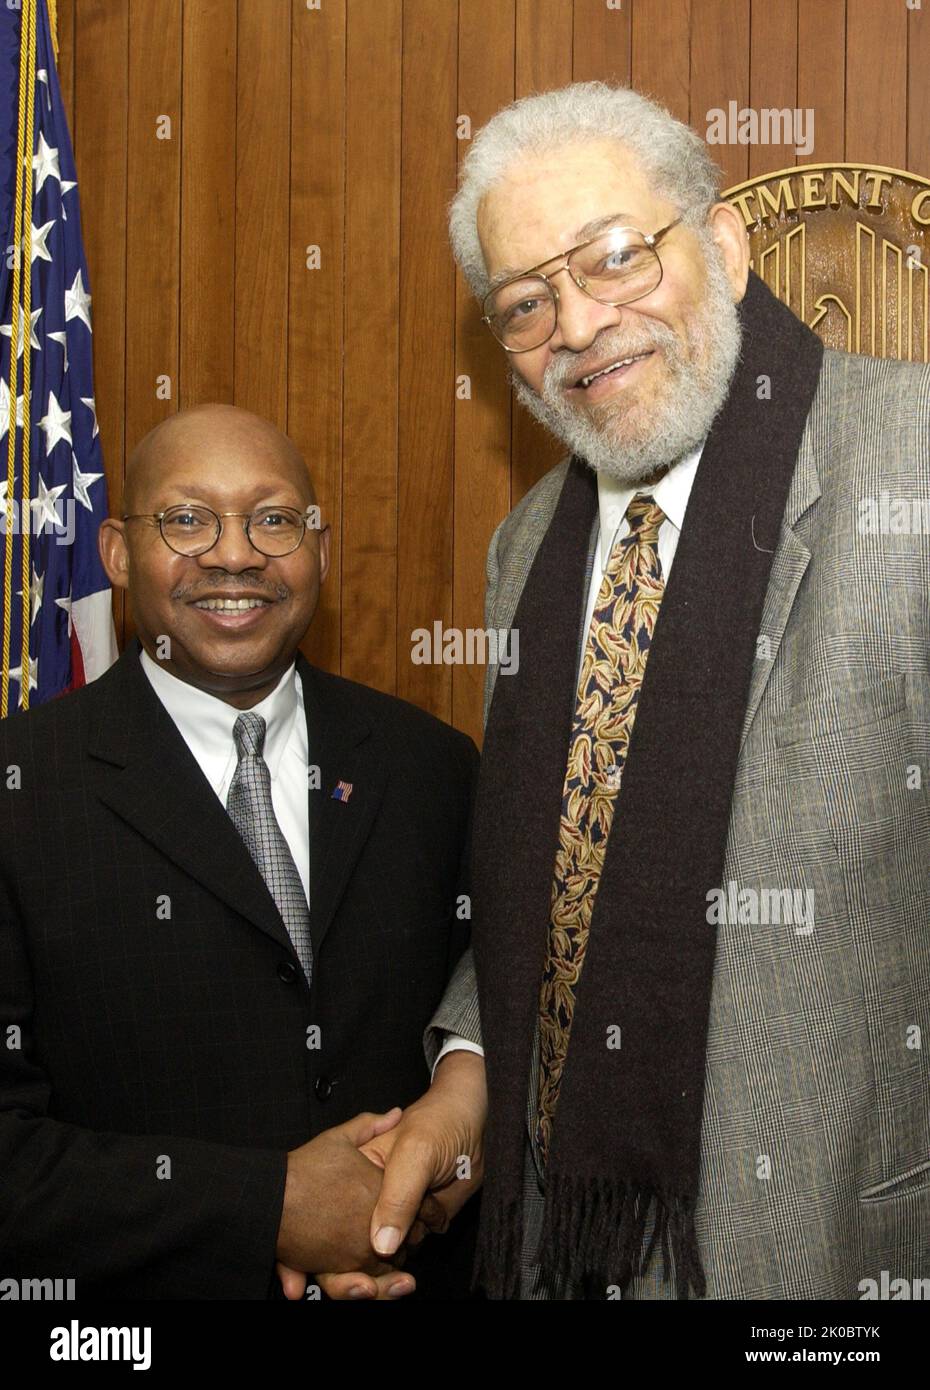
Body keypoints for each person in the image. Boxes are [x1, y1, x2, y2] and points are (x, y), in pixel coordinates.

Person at [395, 80, 930, 1300]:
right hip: (565, 1242)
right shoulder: (526, 546)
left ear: (727, 245)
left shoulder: (914, 462)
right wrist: (469, 1065)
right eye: (526, 302)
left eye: (616, 258)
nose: (577, 323)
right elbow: (563, 865)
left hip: (840, 1248)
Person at [0, 403, 484, 1299]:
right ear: (115, 553)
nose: (234, 555)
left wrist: (422, 1197)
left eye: (274, 519)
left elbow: (500, 1009)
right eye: (187, 520)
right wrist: (270, 1206)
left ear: (321, 550)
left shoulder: (434, 768)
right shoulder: (21, 791)